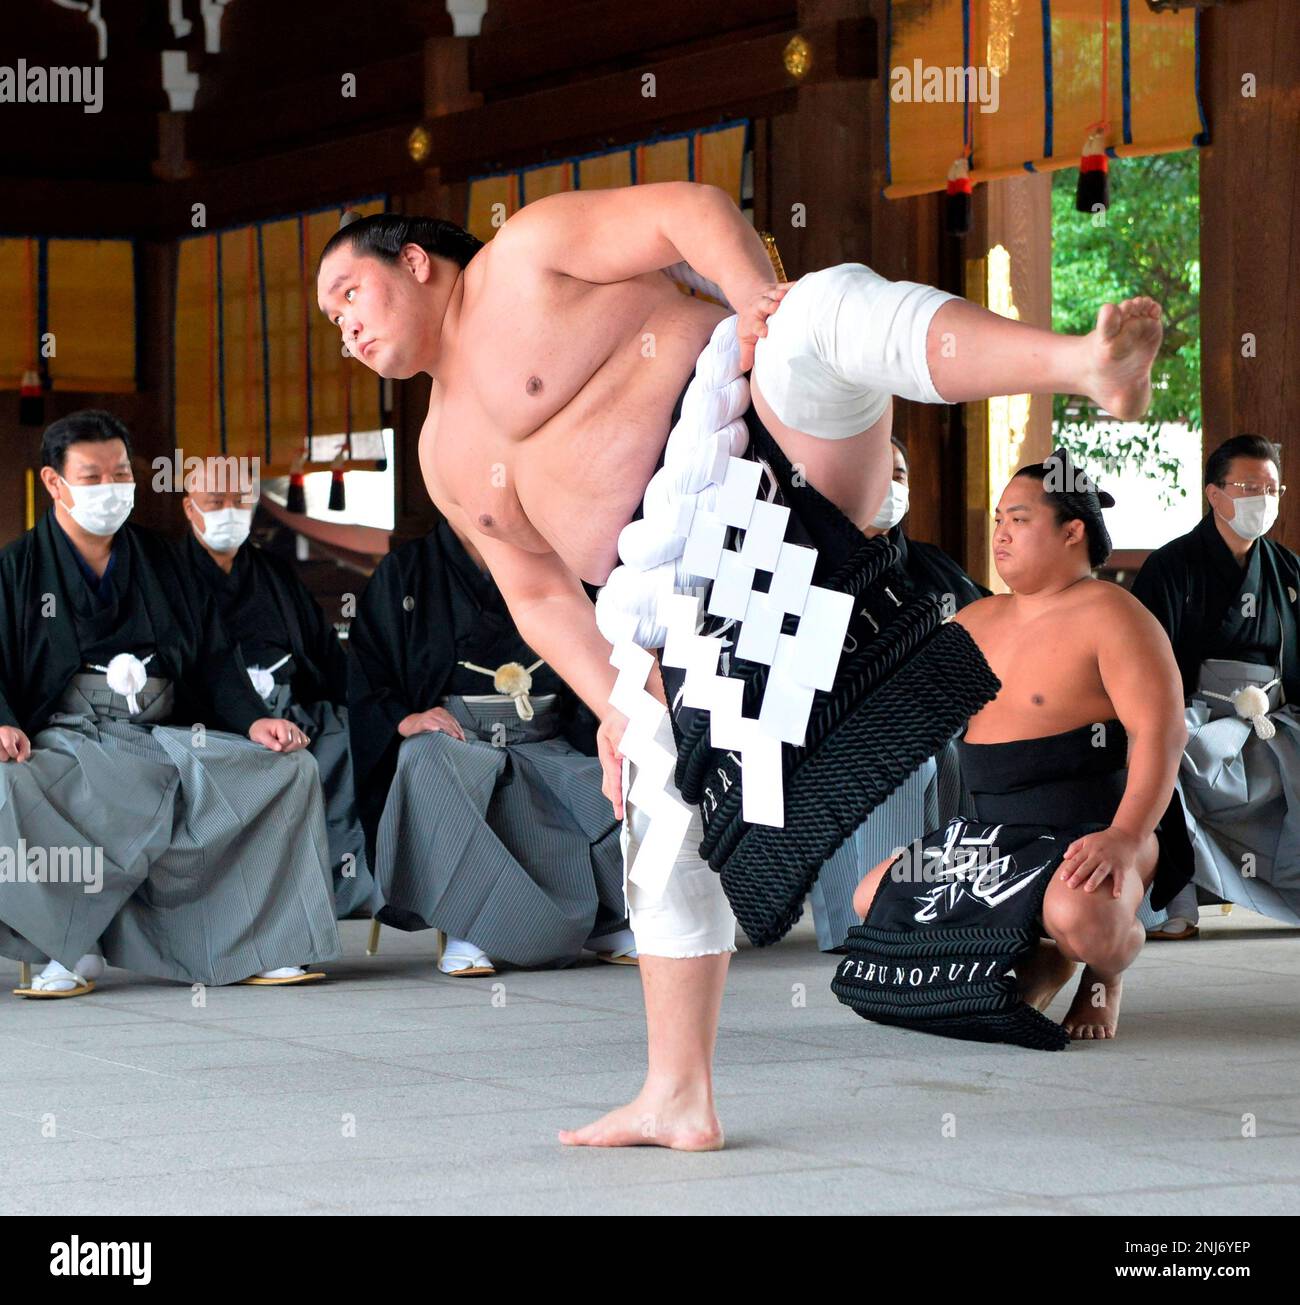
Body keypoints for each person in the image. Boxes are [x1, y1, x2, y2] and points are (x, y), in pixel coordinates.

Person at [315, 183, 1163, 1147]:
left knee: (818, 313)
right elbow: (541, 598)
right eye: (329, 316)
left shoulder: (530, 253)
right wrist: (615, 705)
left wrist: (753, 295)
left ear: (415, 261)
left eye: (348, 291)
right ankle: (679, 1094)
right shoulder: (442, 453)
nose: (342, 324)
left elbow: (688, 209)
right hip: (684, 610)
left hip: (772, 462)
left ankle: (1081, 363)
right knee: (662, 817)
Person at [844, 450, 1187, 1044]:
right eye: (999, 519)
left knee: (1083, 921)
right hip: (987, 834)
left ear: (1071, 531)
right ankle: (1043, 958)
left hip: (1093, 827)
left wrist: (1127, 838)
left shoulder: (1115, 614)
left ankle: (1102, 971)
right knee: (872, 896)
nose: (1000, 533)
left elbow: (1161, 733)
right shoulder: (978, 620)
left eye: (1019, 520)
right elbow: (905, 714)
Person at [0, 412, 340, 997]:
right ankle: (68, 944)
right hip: (69, 735)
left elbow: (212, 655)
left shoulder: (164, 563)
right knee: (8, 786)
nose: (111, 490)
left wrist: (254, 719)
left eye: (121, 473)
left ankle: (264, 941)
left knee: (289, 770)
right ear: (54, 484)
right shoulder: (17, 569)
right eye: (92, 476)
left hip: (165, 733)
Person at [347, 515, 630, 975]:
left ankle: (606, 918)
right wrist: (403, 718)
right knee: (424, 762)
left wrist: (600, 716)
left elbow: (592, 647)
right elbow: (369, 664)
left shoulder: (551, 561)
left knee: (618, 770)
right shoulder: (408, 572)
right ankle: (466, 924)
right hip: (457, 738)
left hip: (546, 735)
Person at [809, 437, 988, 950]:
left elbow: (989, 635)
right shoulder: (813, 565)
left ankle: (959, 907)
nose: (892, 486)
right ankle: (882, 915)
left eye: (901, 475)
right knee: (904, 758)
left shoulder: (933, 565)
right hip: (838, 722)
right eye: (878, 472)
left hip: (944, 713)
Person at [179, 458, 374, 917]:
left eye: (240, 501)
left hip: (291, 708)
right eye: (214, 502)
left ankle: (341, 889)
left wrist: (372, 708)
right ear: (190, 508)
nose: (229, 511)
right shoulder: (167, 575)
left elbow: (324, 654)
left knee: (348, 736)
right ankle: (252, 903)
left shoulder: (274, 573)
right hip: (210, 718)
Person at [1130, 433, 1300, 930]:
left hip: (1272, 719)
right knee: (1163, 753)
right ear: (1214, 494)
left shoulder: (1287, 570)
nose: (1262, 501)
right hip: (1198, 712)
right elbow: (1146, 656)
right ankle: (1178, 902)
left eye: (1272, 490)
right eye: (1249, 487)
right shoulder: (1172, 566)